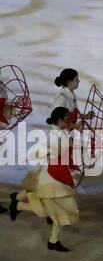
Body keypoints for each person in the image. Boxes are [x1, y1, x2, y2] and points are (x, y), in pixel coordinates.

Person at [8, 107, 80, 252]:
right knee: (59, 211)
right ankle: (53, 240)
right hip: (51, 178)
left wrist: (73, 166)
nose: (70, 121)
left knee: (49, 211)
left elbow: (67, 154)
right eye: (67, 118)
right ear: (60, 119)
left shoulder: (64, 133)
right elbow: (33, 154)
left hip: (59, 176)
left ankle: (19, 204)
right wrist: (50, 155)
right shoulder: (50, 135)